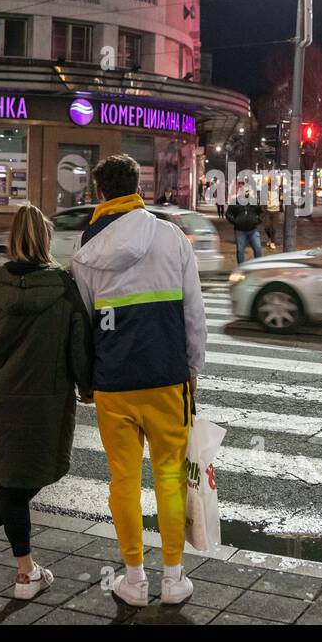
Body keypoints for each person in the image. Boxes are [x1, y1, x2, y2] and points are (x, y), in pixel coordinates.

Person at [69, 155, 207, 608]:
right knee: (170, 478)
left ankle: (133, 578)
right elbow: (193, 315)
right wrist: (192, 370)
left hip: (114, 384)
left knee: (123, 481)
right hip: (167, 380)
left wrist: (87, 382)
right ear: (137, 186)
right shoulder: (171, 236)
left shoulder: (86, 250)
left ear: (101, 193)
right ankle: (172, 578)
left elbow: (84, 325)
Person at [0, 204, 93, 601]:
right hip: (48, 405)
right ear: (46, 239)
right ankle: (24, 573)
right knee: (25, 479)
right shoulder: (64, 288)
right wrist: (89, 388)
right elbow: (80, 352)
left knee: (15, 480)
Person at [226, 186, 264, 264]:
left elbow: (262, 211)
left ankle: (259, 266)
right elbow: (228, 214)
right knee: (240, 250)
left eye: (248, 191)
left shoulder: (253, 201)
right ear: (242, 191)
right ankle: (241, 268)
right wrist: (235, 221)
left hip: (253, 229)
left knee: (258, 249)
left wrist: (257, 220)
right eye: (246, 191)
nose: (247, 193)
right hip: (240, 230)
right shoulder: (235, 201)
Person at [263, 176, 282, 250]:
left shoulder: (278, 190)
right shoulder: (266, 189)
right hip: (268, 210)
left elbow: (281, 198)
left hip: (276, 211)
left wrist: (279, 204)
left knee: (273, 228)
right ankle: (270, 238)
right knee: (267, 227)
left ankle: (272, 242)